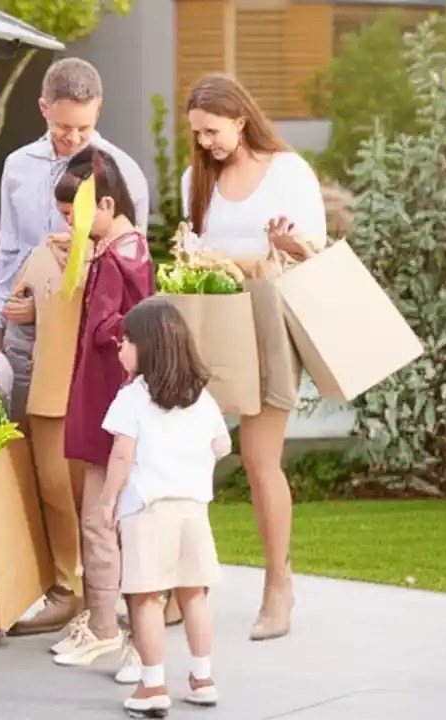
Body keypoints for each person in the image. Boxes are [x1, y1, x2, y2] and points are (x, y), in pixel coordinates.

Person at [0, 56, 150, 637]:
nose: (72, 138)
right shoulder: (15, 168)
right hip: (36, 345)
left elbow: (136, 269)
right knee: (50, 476)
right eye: (62, 128)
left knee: (106, 476)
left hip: (103, 355)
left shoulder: (121, 171)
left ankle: (131, 585)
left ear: (98, 111)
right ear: (42, 109)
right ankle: (66, 587)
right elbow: (7, 256)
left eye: (82, 128)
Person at [181, 72, 327, 641]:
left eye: (212, 131)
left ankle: (278, 585)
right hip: (211, 323)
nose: (205, 143)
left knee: (259, 457)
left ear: (240, 120)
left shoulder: (287, 171)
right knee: (187, 453)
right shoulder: (198, 176)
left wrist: (286, 242)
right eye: (196, 133)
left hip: (266, 321)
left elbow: (311, 248)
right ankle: (179, 587)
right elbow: (193, 249)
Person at [49, 148, 154, 677]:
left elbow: (106, 328)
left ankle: (109, 630)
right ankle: (116, 630)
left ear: (105, 204)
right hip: (115, 405)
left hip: (108, 408)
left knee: (102, 520)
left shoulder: (118, 259)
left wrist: (107, 326)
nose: (71, 226)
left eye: (76, 217)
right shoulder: (130, 250)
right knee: (116, 521)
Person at [96, 297, 228, 716]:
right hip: (193, 509)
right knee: (194, 595)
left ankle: (153, 686)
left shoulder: (133, 397)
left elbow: (121, 455)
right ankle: (202, 677)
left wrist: (106, 500)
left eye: (126, 341)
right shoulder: (201, 398)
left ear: (147, 348)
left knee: (146, 597)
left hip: (148, 510)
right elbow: (222, 445)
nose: (120, 348)